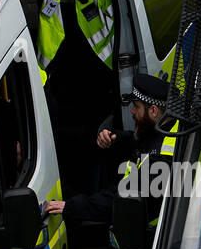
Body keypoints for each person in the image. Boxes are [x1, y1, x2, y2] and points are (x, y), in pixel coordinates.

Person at [44, 74, 174, 224]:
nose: (132, 111)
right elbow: (142, 143)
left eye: (136, 106)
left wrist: (71, 207)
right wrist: (115, 138)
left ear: (153, 110)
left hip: (153, 237)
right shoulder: (166, 129)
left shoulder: (162, 159)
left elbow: (118, 199)